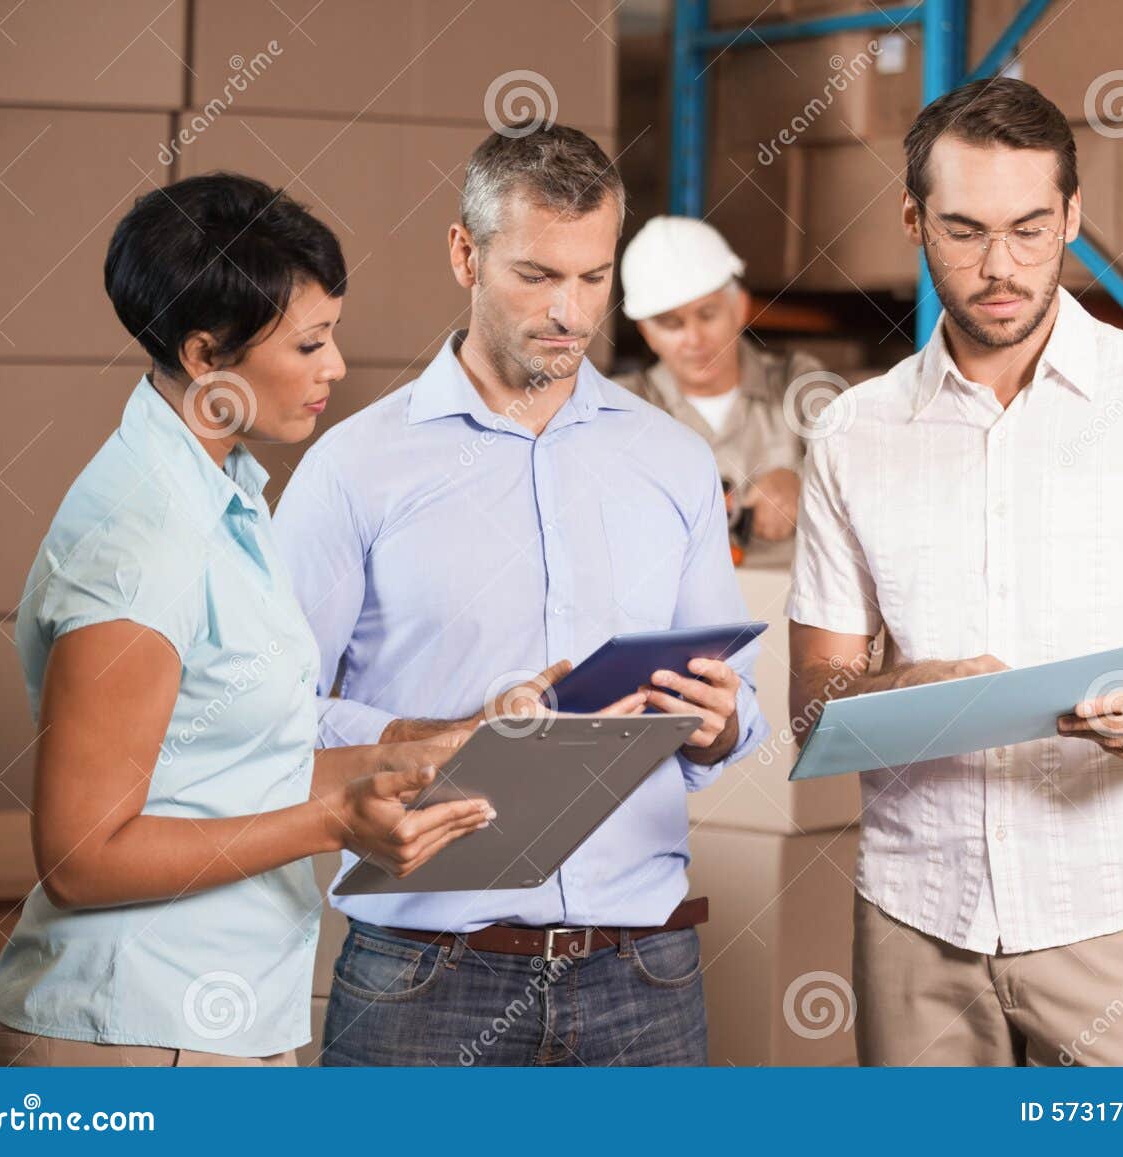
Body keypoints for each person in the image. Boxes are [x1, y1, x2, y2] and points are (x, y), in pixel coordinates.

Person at [787, 78, 1123, 1067]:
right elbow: (813, 704)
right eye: (963, 230)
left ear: (1072, 213)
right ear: (912, 219)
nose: (999, 268)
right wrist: (898, 692)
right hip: (916, 918)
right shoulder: (853, 434)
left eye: (1029, 229)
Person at [273, 123, 766, 1067]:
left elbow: (733, 712)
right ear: (465, 252)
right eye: (536, 275)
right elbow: (269, 714)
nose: (570, 313)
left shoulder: (672, 461)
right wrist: (438, 737)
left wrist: (719, 722)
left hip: (645, 971)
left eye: (592, 277)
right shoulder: (354, 470)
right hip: (427, 973)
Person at [0, 174, 493, 1068]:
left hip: (228, 1023)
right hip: (137, 1034)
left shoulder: (226, 490)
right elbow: (82, 855)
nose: (335, 367)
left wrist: (421, 749)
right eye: (310, 343)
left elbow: (233, 767)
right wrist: (339, 820)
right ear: (205, 354)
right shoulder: (141, 543)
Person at [614, 216, 835, 562]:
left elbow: (871, 477)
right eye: (671, 324)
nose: (694, 339)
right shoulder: (622, 407)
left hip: (789, 610)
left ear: (739, 307)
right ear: (646, 333)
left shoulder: (800, 383)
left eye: (707, 315)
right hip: (670, 615)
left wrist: (802, 485)